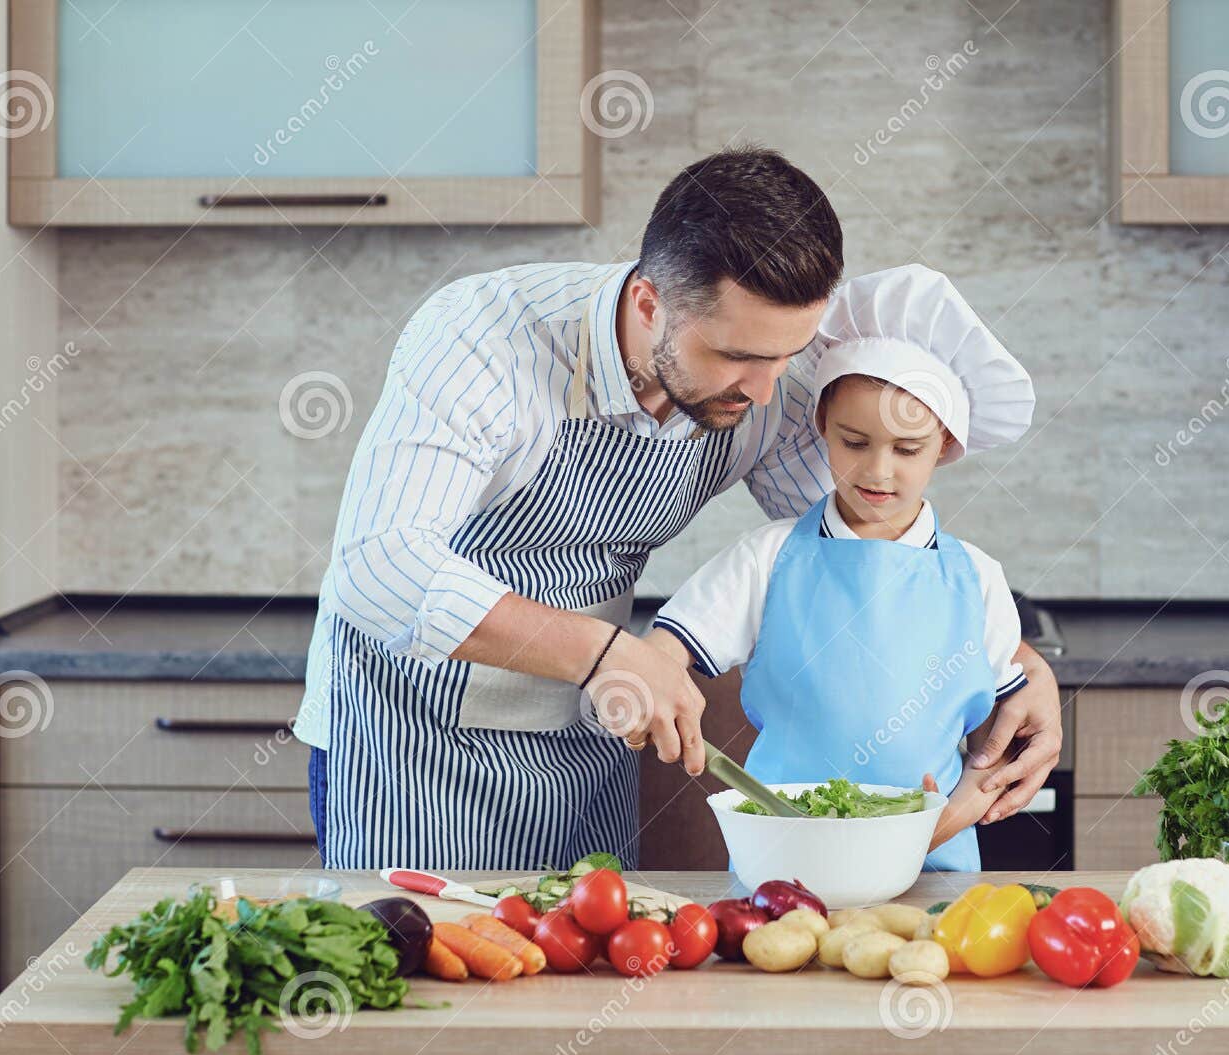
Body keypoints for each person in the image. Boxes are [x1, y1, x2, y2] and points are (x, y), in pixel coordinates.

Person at [294, 147, 1062, 871]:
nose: (767, 392)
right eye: (737, 357)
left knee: (575, 975)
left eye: (786, 356)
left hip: (590, 730)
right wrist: (605, 652)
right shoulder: (485, 337)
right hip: (407, 736)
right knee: (421, 986)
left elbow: (865, 555)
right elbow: (378, 566)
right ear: (649, 302)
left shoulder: (763, 383)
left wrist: (1023, 670)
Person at [648, 265, 1035, 869]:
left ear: (947, 446)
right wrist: (648, 692)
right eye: (855, 442)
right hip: (783, 856)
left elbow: (1002, 742)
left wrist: (940, 823)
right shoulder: (767, 559)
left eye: (907, 450)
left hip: (932, 862)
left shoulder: (977, 579)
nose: (879, 471)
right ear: (822, 426)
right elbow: (664, 653)